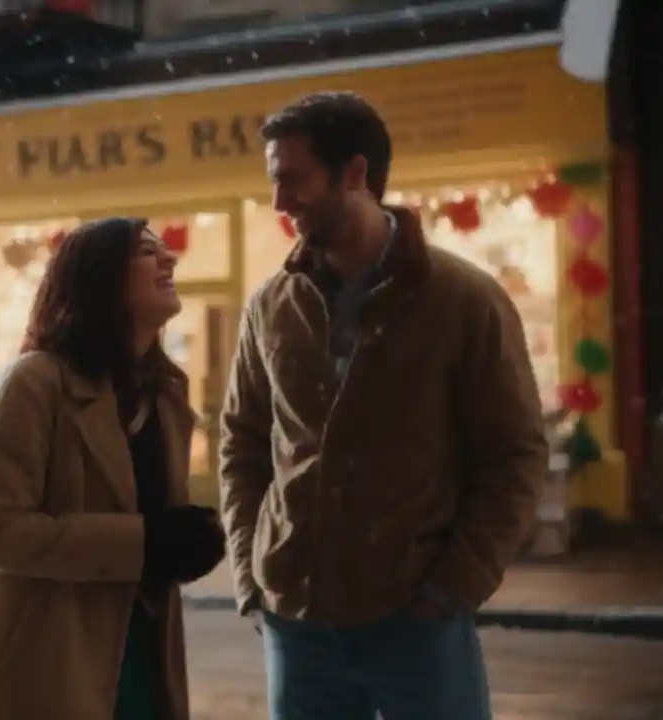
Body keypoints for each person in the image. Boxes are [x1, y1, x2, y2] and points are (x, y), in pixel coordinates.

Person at [219, 92, 548, 720]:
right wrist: (251, 572)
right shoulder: (269, 305)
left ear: (356, 174)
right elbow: (242, 440)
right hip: (297, 623)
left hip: (417, 623)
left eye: (293, 180)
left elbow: (516, 455)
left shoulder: (463, 300)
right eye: (273, 181)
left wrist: (452, 586)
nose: (278, 202)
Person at [0, 217, 227, 720]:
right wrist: (146, 543)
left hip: (142, 653)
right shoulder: (34, 383)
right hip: (45, 664)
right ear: (100, 277)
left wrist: (189, 542)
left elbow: (149, 529)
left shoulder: (166, 396)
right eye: (145, 251)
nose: (169, 260)